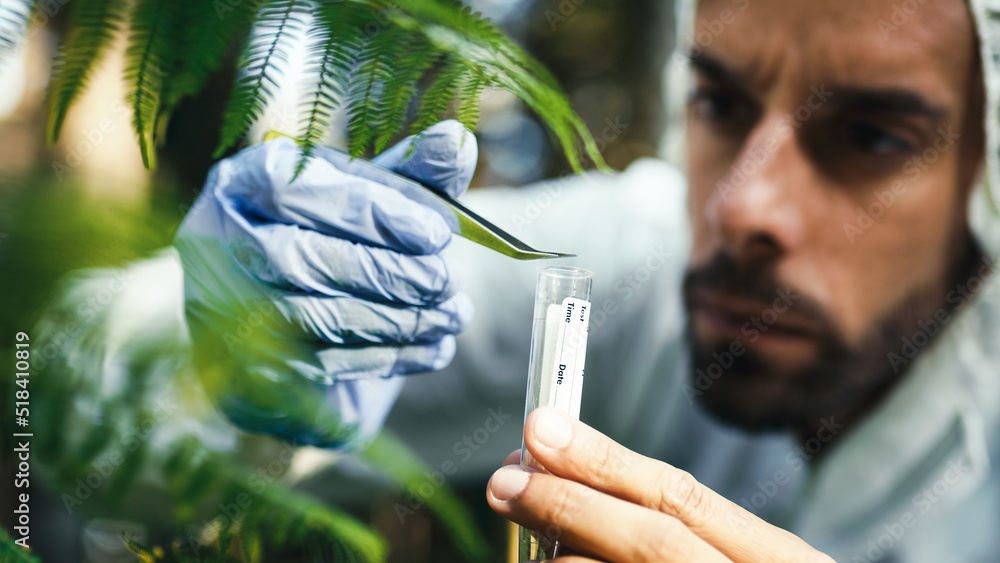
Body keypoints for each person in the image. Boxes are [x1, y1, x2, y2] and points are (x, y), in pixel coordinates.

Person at [31, 0, 1000, 560]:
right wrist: (221, 346)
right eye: (719, 101)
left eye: (871, 137)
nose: (744, 205)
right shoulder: (638, 263)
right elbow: (57, 386)